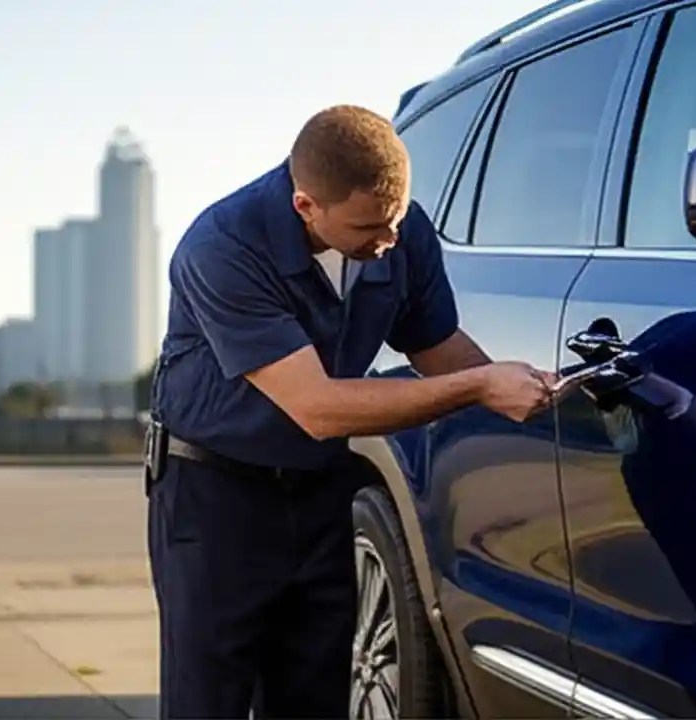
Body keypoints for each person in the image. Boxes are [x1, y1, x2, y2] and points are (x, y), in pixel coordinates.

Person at [145, 104, 570, 718]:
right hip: (215, 498)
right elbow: (316, 407)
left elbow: (437, 346)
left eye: (394, 221)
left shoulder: (403, 230)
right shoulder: (222, 247)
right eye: (368, 229)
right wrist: (479, 387)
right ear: (306, 207)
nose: (388, 242)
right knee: (207, 700)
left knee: (315, 696)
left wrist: (526, 391)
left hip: (320, 490)